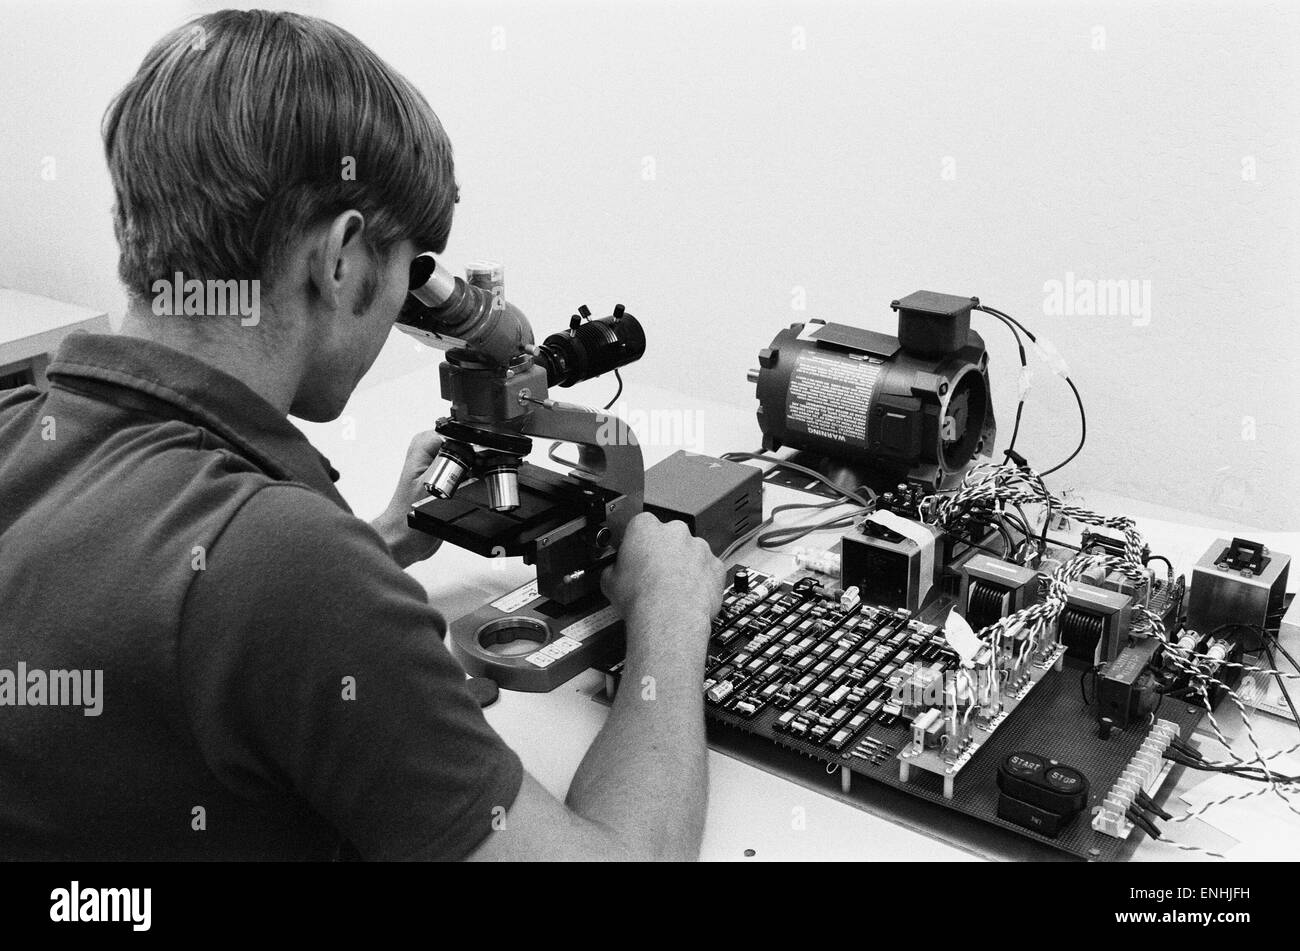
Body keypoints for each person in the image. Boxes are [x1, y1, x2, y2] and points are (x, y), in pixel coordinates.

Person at [0, 9, 723, 861]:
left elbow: (140, 603)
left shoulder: (21, 420)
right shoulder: (286, 569)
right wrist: (670, 623)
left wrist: (376, 542)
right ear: (342, 258)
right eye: (408, 273)